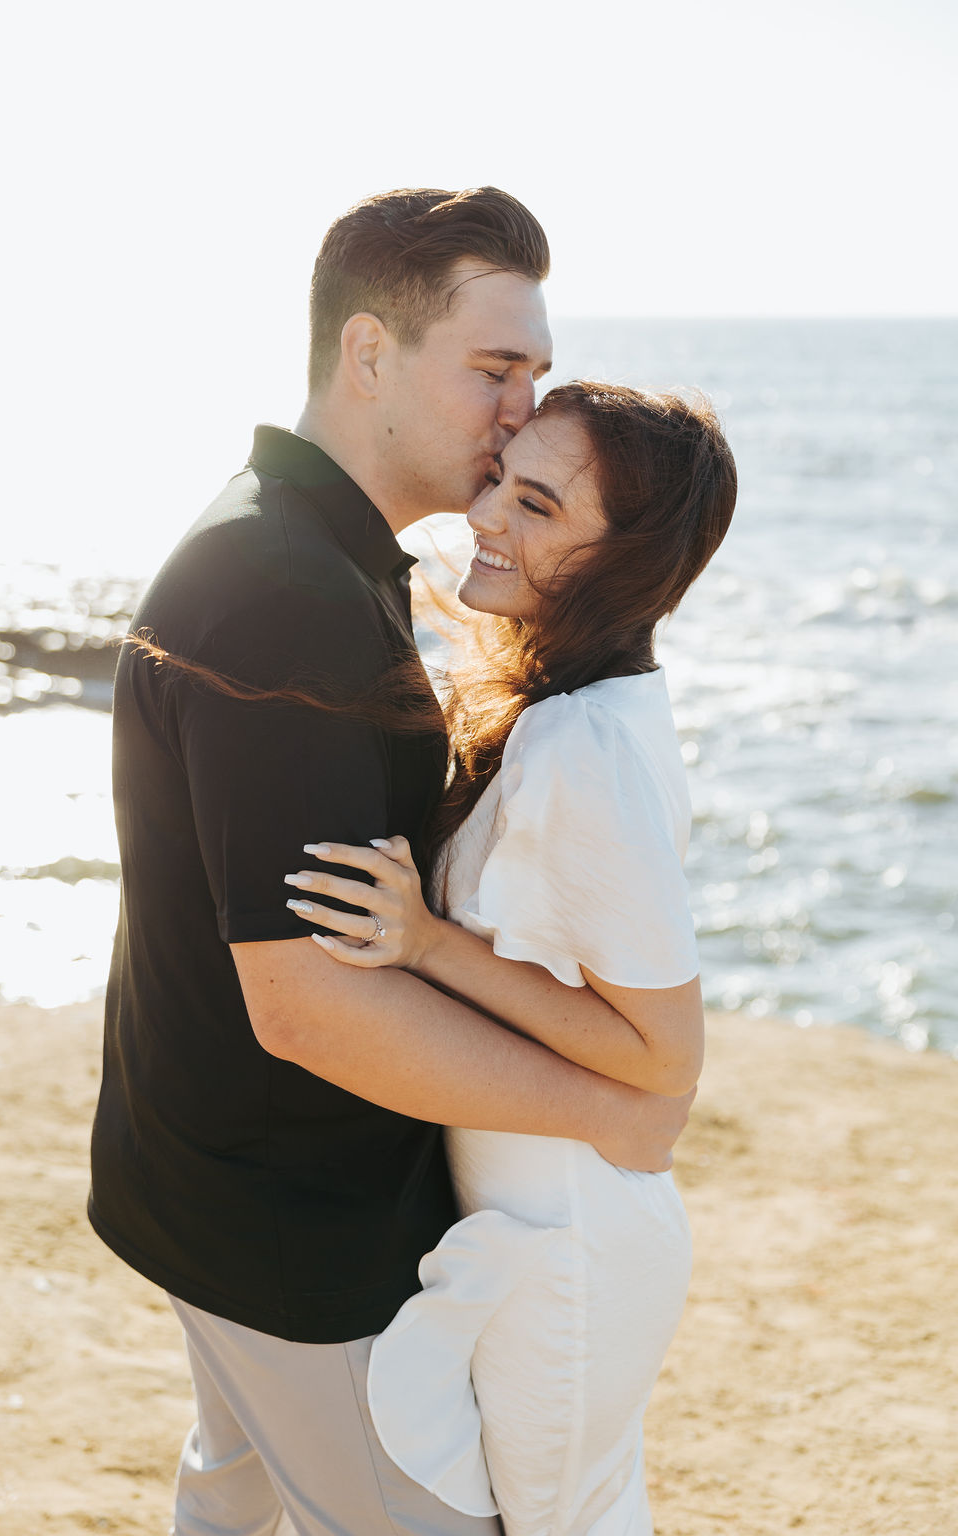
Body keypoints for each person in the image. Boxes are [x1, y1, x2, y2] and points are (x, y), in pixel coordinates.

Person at [88, 189, 695, 1536]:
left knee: (235, 1505)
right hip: (296, 1232)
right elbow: (306, 1001)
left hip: (211, 1180)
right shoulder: (286, 594)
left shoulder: (308, 549)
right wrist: (605, 1109)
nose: (520, 406)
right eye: (494, 368)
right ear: (371, 354)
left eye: (533, 371)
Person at [281, 381, 737, 1534]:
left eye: (536, 503)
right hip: (525, 1224)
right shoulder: (568, 710)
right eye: (503, 478)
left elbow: (662, 1056)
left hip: (572, 1248)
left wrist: (427, 945)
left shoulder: (587, 746)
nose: (486, 513)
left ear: (618, 563)